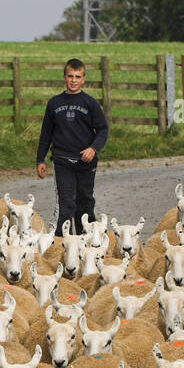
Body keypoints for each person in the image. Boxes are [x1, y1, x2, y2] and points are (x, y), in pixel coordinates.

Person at [36, 59, 109, 237]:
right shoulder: (54, 103)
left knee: (85, 203)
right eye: (70, 76)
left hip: (86, 161)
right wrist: (40, 159)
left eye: (78, 76)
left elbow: (102, 130)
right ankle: (62, 242)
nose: (74, 80)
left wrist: (93, 148)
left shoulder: (90, 103)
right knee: (66, 203)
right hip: (62, 160)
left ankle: (87, 242)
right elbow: (46, 133)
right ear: (64, 78)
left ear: (84, 79)